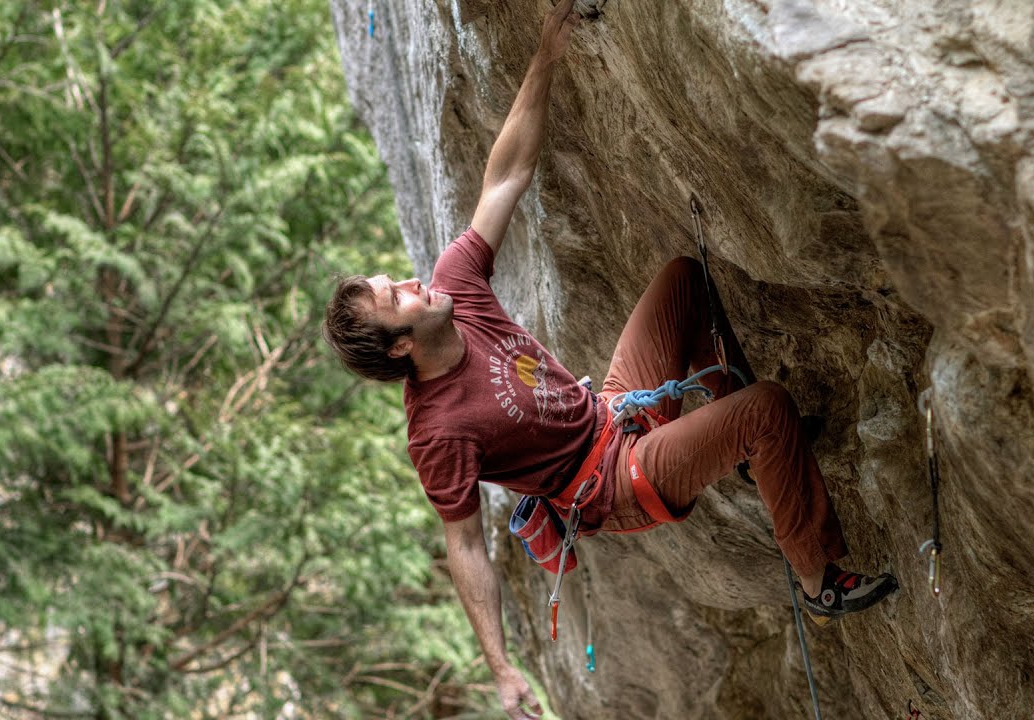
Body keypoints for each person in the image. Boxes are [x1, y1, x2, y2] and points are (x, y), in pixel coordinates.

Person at [322, 2, 897, 717]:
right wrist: (502, 671)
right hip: (611, 485)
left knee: (684, 280)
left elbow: (506, 176)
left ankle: (750, 453)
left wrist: (546, 53)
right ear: (401, 346)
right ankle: (820, 584)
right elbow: (465, 547)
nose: (412, 281)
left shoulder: (457, 285)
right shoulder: (438, 431)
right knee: (767, 411)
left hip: (612, 413)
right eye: (396, 297)